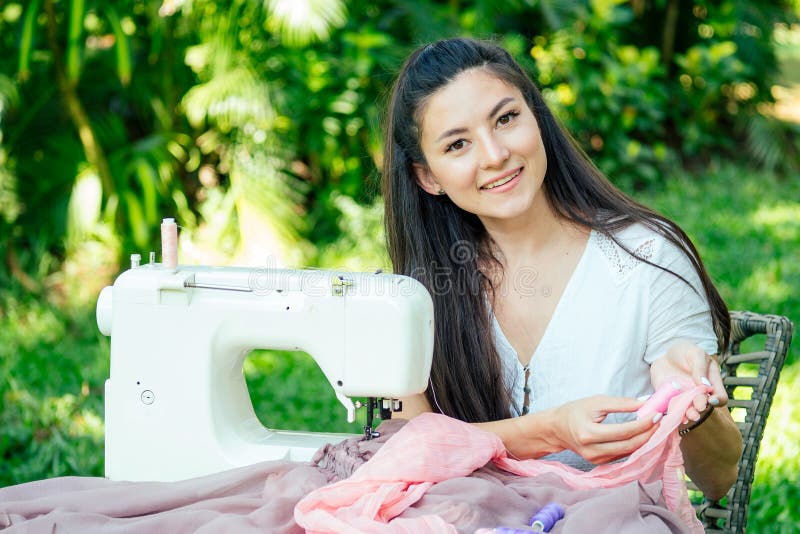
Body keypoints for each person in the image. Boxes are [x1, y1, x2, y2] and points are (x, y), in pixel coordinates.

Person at [381, 37, 742, 500]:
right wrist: (552, 431)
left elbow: (719, 480)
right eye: (458, 144)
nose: (494, 155)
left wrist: (691, 408)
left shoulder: (647, 259)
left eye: (506, 119)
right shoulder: (418, 296)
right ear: (427, 176)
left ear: (537, 117)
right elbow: (407, 451)